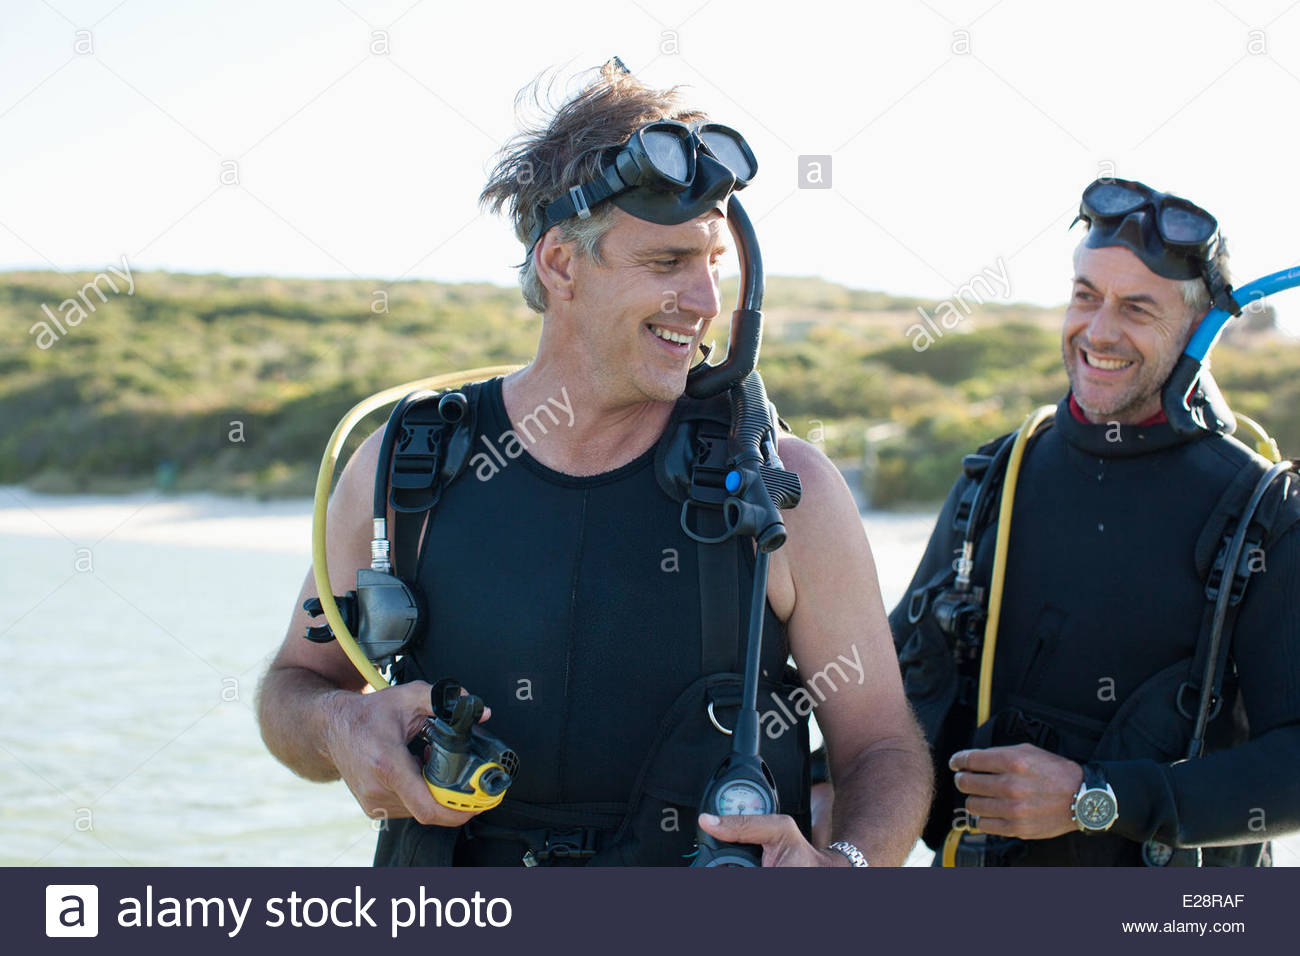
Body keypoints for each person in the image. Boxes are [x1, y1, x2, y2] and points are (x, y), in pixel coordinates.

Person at [256, 60, 931, 867]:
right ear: (562, 265)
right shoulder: (403, 469)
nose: (707, 302)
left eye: (712, 261)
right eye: (666, 263)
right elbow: (294, 689)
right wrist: (338, 727)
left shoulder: (784, 491)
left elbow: (884, 749)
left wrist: (843, 870)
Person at [888, 176, 1300, 866]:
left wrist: (1095, 797)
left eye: (1138, 308)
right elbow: (889, 688)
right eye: (1086, 296)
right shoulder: (1001, 475)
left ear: (1199, 329)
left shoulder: (1262, 511)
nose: (1099, 331)